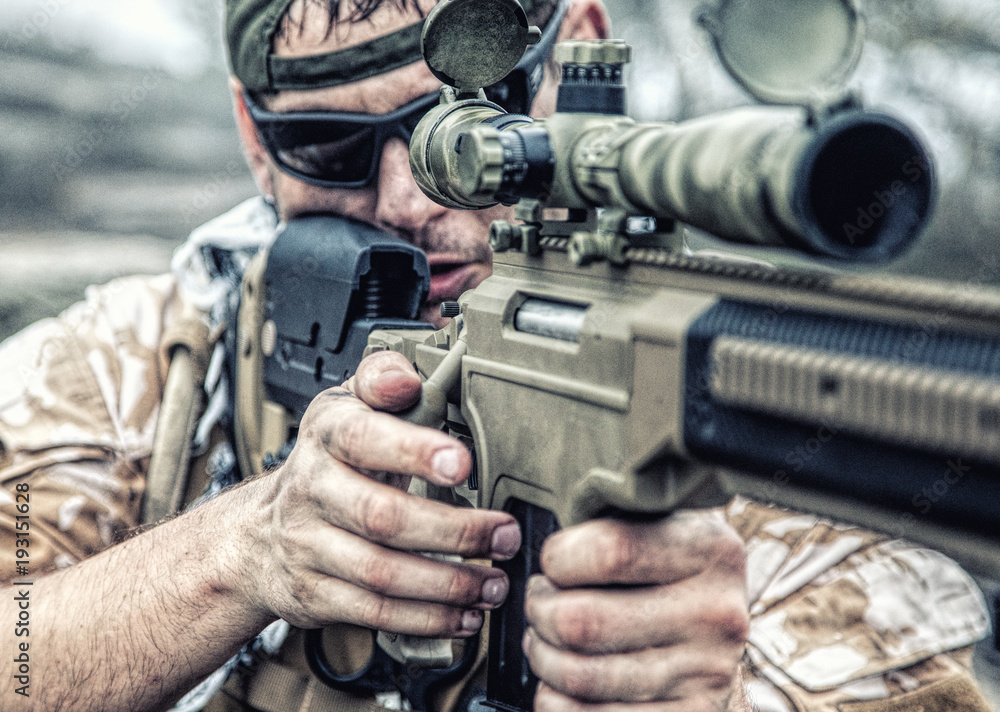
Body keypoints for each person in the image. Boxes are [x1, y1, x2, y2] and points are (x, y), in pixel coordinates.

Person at [0, 0, 992, 710]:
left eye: (464, 124)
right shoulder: (124, 373)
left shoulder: (780, 449)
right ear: (253, 140)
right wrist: (232, 555)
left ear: (583, 54)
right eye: (328, 150)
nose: (405, 201)